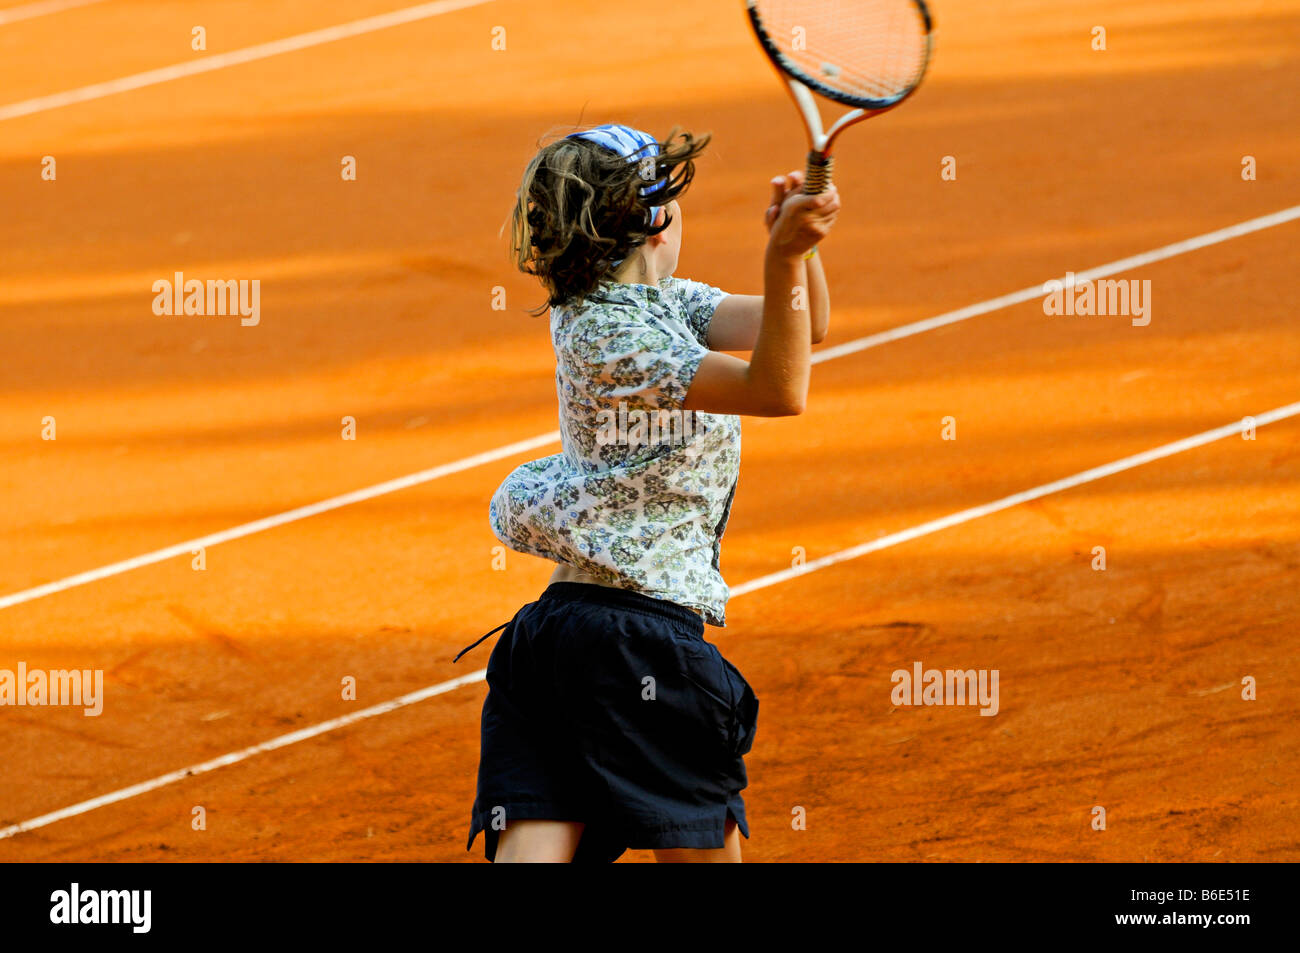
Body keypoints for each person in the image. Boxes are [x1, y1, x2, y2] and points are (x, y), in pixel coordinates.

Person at [459, 123, 839, 862]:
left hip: (555, 640)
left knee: (538, 840)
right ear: (657, 217)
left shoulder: (650, 303)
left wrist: (799, 255)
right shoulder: (618, 338)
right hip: (641, 649)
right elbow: (778, 387)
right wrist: (782, 253)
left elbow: (805, 327)